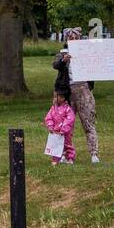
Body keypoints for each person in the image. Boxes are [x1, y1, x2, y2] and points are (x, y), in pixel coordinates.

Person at [55, 29, 99, 163]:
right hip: (67, 92)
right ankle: (65, 154)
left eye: (75, 37)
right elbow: (55, 65)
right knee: (66, 125)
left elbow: (103, 64)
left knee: (88, 123)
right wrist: (63, 60)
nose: (73, 39)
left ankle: (94, 153)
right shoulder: (62, 53)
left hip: (84, 90)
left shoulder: (87, 53)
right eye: (70, 37)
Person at [45, 90, 76, 166]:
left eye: (56, 97)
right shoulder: (53, 108)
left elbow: (70, 119)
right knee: (55, 145)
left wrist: (63, 129)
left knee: (67, 145)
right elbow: (49, 117)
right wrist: (50, 126)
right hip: (55, 132)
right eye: (54, 97)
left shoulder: (67, 109)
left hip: (65, 133)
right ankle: (56, 159)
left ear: (62, 98)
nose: (54, 99)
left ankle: (70, 158)